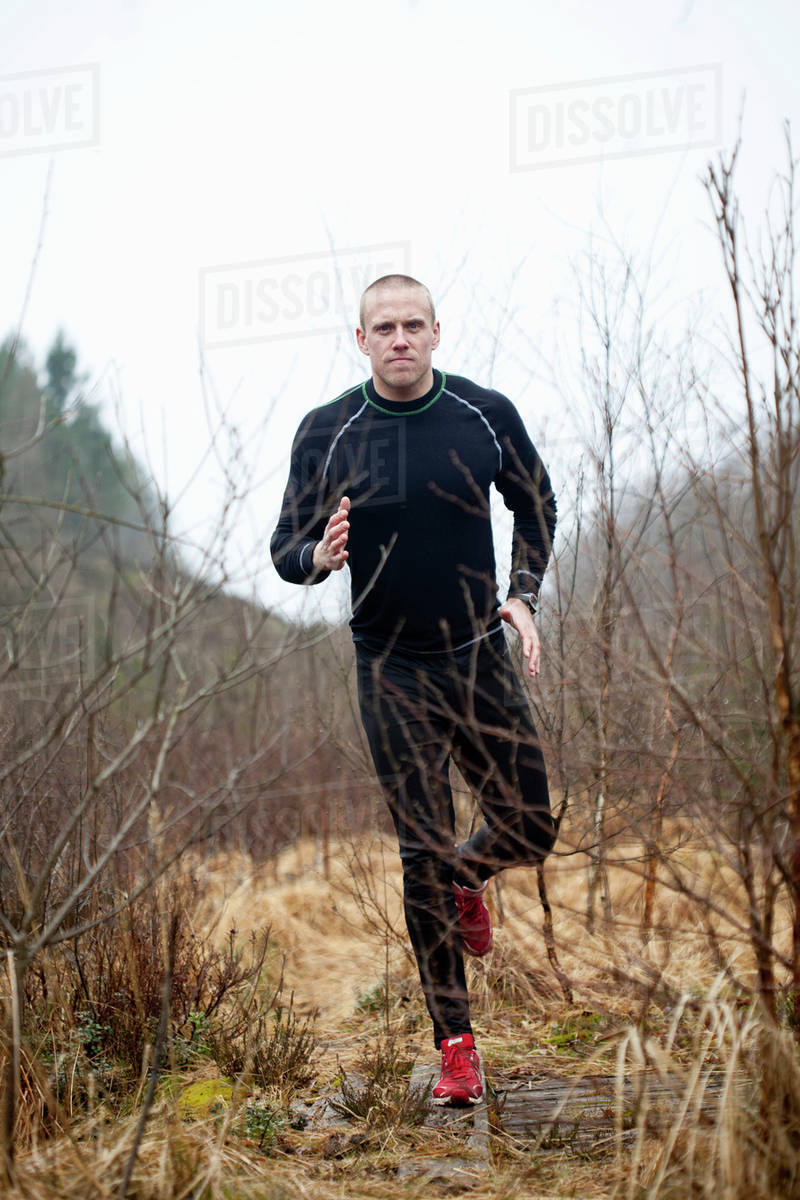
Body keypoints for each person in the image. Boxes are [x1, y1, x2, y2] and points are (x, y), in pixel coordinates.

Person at [271, 275, 557, 1106]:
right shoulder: (328, 430)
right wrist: (320, 557)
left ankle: (471, 874)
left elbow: (537, 506)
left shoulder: (483, 415)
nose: (399, 339)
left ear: (436, 332)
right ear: (361, 340)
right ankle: (455, 1047)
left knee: (531, 823)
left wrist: (523, 594)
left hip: (476, 655)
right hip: (390, 670)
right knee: (419, 853)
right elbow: (285, 549)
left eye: (412, 325)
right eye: (384, 328)